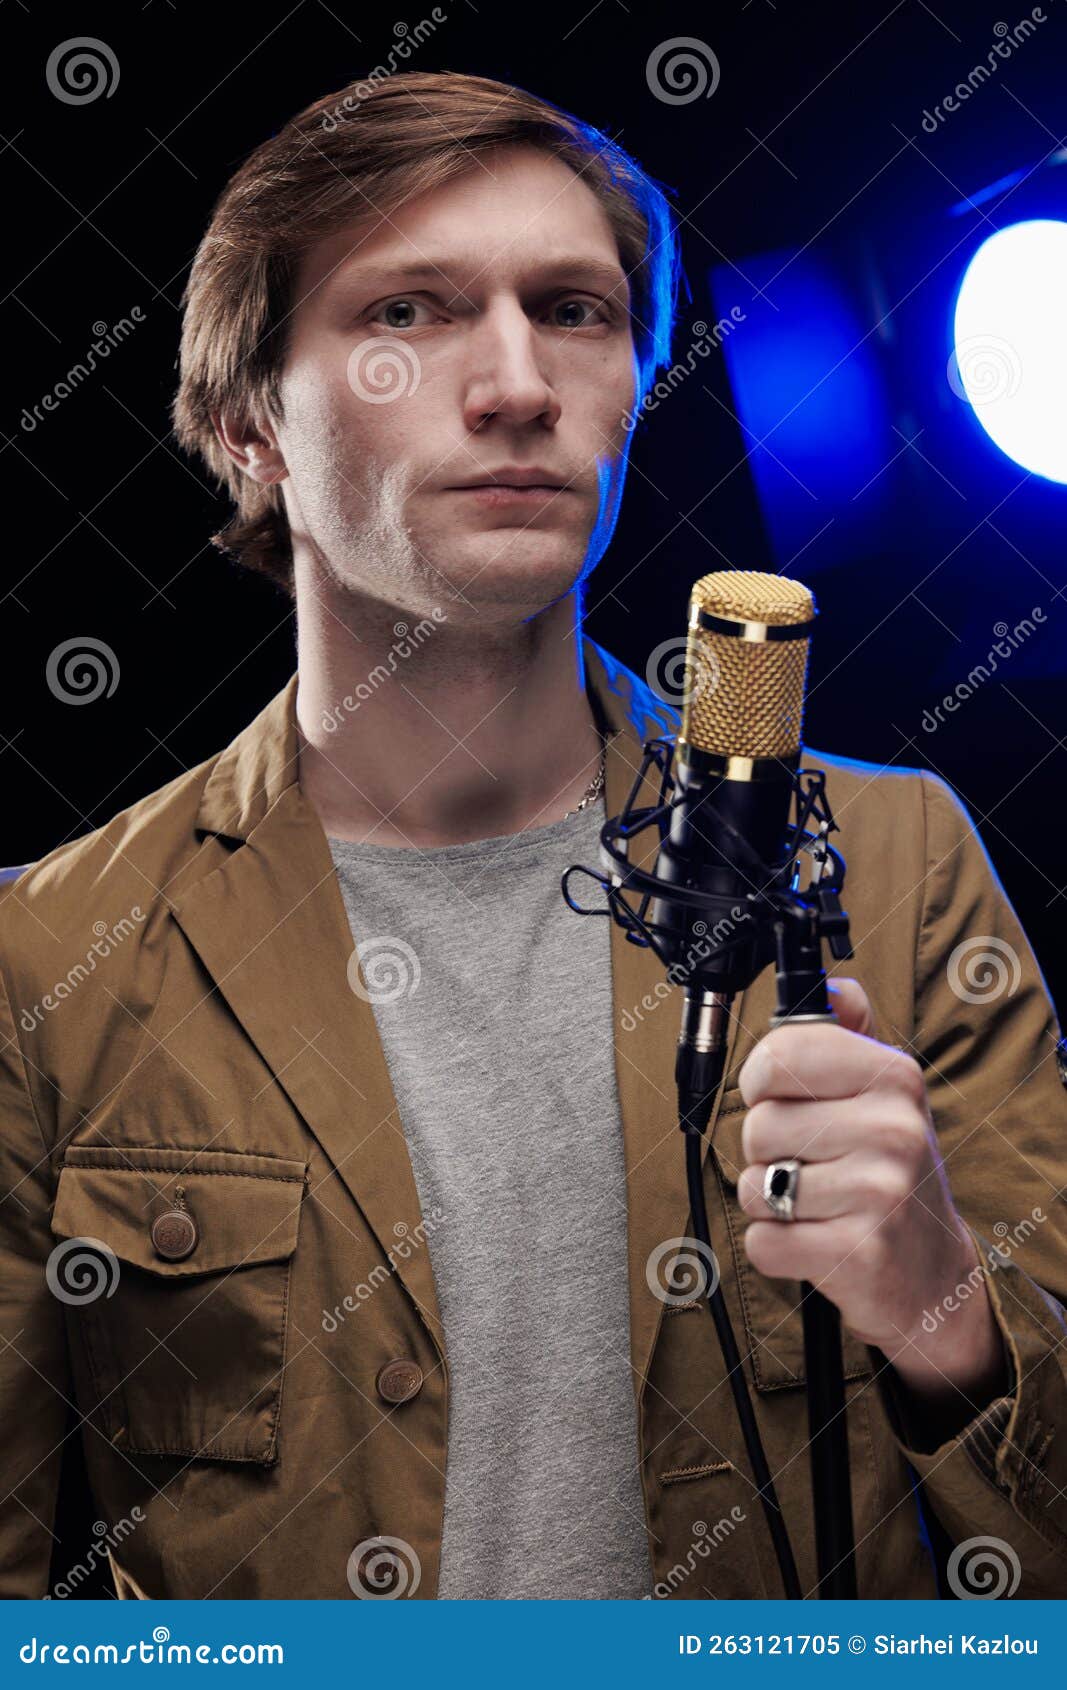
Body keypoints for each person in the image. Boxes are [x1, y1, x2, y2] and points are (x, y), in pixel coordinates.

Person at [2, 70, 1066, 1603]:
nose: (516, 382)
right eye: (408, 316)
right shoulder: (51, 958)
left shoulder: (892, 863)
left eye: (572, 309)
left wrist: (945, 1316)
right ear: (249, 427)